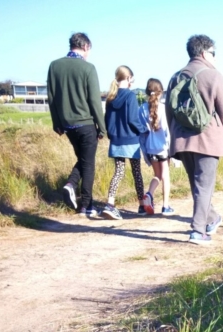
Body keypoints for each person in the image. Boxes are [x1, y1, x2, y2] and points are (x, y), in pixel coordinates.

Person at [166, 34, 223, 245]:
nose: (215, 58)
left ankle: (212, 218)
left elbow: (169, 112)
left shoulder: (176, 77)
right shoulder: (213, 76)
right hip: (208, 140)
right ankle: (198, 231)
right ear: (204, 53)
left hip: (182, 140)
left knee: (197, 185)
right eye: (214, 53)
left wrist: (174, 140)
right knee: (204, 186)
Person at [47, 32, 106, 217]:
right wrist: (102, 127)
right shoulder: (88, 68)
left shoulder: (54, 66)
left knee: (83, 160)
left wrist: (57, 123)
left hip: (67, 125)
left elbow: (51, 97)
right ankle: (87, 206)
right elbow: (95, 101)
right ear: (86, 47)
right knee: (88, 165)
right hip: (86, 123)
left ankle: (71, 185)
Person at [103, 65, 148, 220]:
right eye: (132, 79)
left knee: (119, 172)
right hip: (131, 139)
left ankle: (109, 204)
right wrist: (144, 130)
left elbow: (106, 121)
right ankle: (142, 205)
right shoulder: (130, 96)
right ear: (128, 78)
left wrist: (111, 135)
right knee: (137, 173)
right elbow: (133, 119)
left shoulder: (110, 97)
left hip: (116, 140)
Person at [139, 78, 173, 215]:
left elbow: (141, 132)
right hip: (163, 147)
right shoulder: (164, 108)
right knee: (166, 175)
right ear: (161, 92)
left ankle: (149, 194)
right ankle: (165, 206)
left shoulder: (141, 109)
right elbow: (167, 130)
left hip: (150, 147)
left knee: (157, 175)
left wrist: (145, 151)